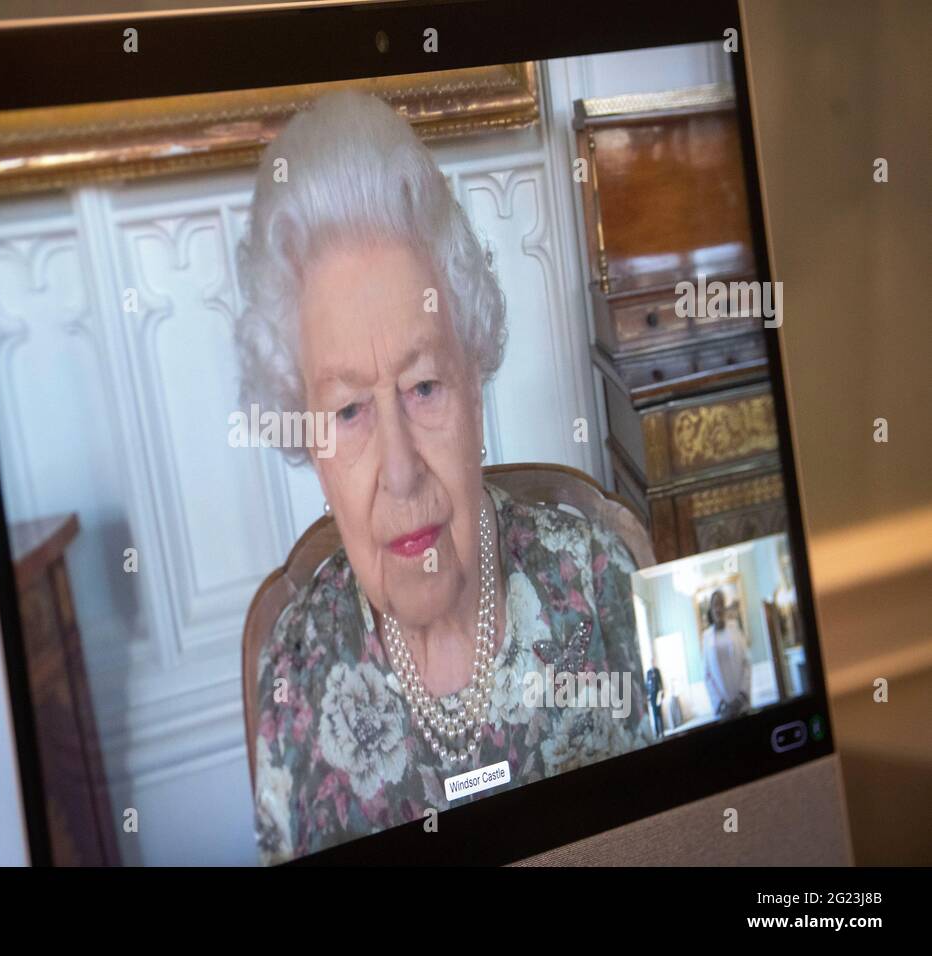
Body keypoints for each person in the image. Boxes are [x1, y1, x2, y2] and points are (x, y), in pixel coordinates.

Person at [234, 90, 651, 864]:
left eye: (424, 387)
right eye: (350, 410)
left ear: (476, 377)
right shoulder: (294, 668)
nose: (399, 471)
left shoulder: (599, 584)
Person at [701, 588, 751, 720]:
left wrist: (741, 697)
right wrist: (721, 704)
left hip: (741, 702)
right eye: (715, 605)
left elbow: (746, 663)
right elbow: (707, 675)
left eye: (721, 604)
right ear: (711, 610)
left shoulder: (735, 629)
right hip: (723, 709)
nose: (718, 609)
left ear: (725, 607)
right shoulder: (706, 637)